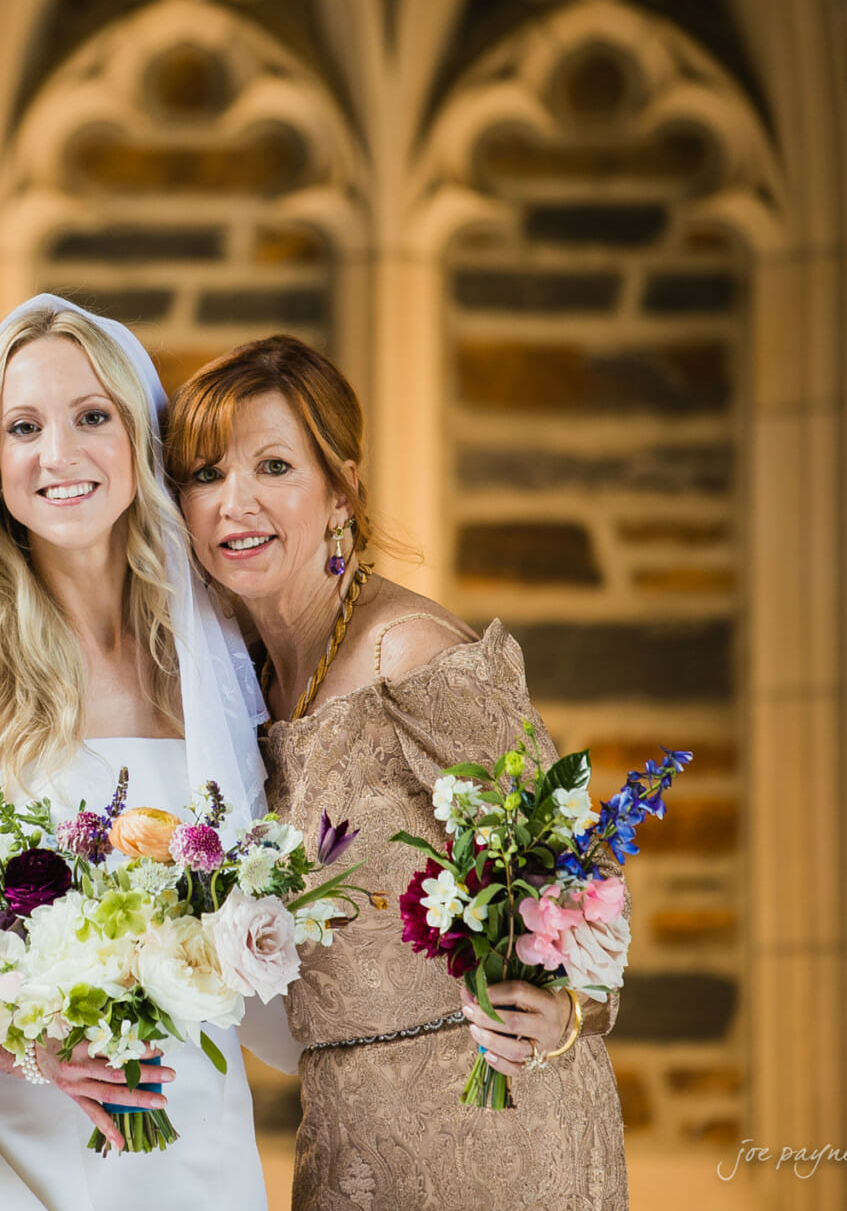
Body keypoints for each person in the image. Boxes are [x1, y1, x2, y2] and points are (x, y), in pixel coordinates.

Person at [166, 335, 628, 1210]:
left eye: (274, 466)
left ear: (341, 491)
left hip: (496, 1131)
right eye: (205, 474)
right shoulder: (236, 687)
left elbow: (579, 863)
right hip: (345, 1138)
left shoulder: (409, 656)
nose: (235, 502)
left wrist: (574, 1008)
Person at [0, 297, 281, 1210]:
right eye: (24, 427)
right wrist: (33, 1048)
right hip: (5, 1144)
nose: (59, 453)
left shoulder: (210, 648)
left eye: (92, 415)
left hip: (192, 1129)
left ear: (138, 438)